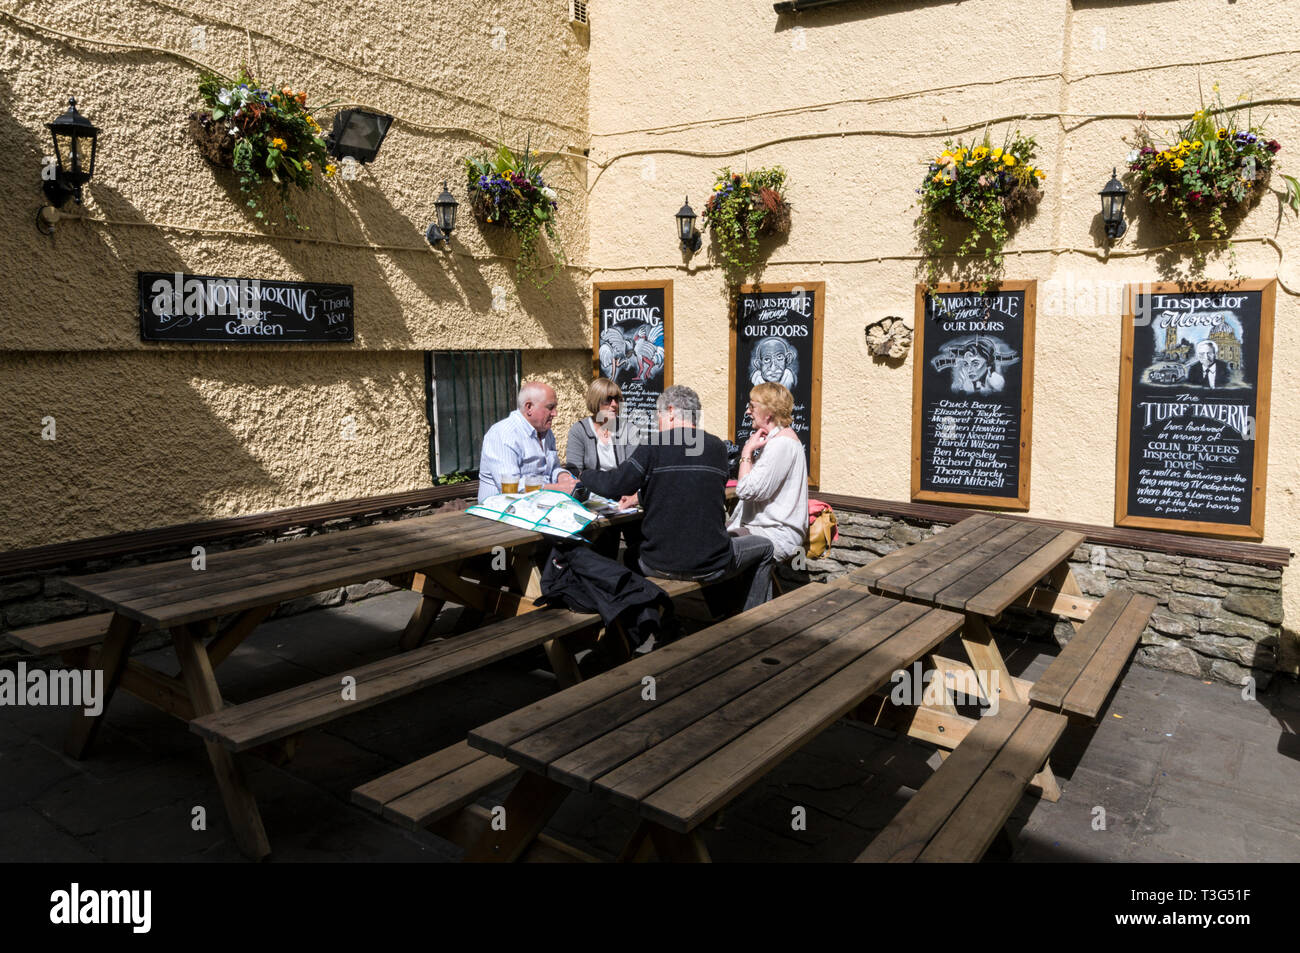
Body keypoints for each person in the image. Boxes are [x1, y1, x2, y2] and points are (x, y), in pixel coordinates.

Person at [576, 384, 775, 614]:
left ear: (670, 411)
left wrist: (583, 474)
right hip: (712, 564)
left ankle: (655, 624)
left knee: (629, 555)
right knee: (765, 547)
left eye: (658, 416)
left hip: (657, 564)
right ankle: (751, 619)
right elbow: (687, 487)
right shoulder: (717, 447)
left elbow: (614, 485)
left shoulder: (653, 445)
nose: (658, 423)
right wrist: (641, 496)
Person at [728, 382, 809, 563]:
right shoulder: (776, 440)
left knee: (715, 551)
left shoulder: (781, 444)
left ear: (769, 411)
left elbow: (746, 491)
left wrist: (746, 452)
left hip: (775, 534)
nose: (748, 412)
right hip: (763, 529)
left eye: (752, 406)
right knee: (709, 541)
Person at [565, 377, 642, 564]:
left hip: (625, 495)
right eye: (608, 399)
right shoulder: (580, 430)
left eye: (617, 399)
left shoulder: (628, 429)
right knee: (604, 542)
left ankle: (638, 578)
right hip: (594, 497)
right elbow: (575, 470)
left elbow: (635, 468)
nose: (614, 404)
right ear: (595, 401)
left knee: (639, 539)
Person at [477, 381, 577, 502]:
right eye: (550, 407)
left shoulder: (545, 431)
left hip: (538, 506)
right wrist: (558, 489)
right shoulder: (503, 434)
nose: (555, 413)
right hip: (501, 512)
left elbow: (552, 468)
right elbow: (512, 487)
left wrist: (563, 476)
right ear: (529, 407)